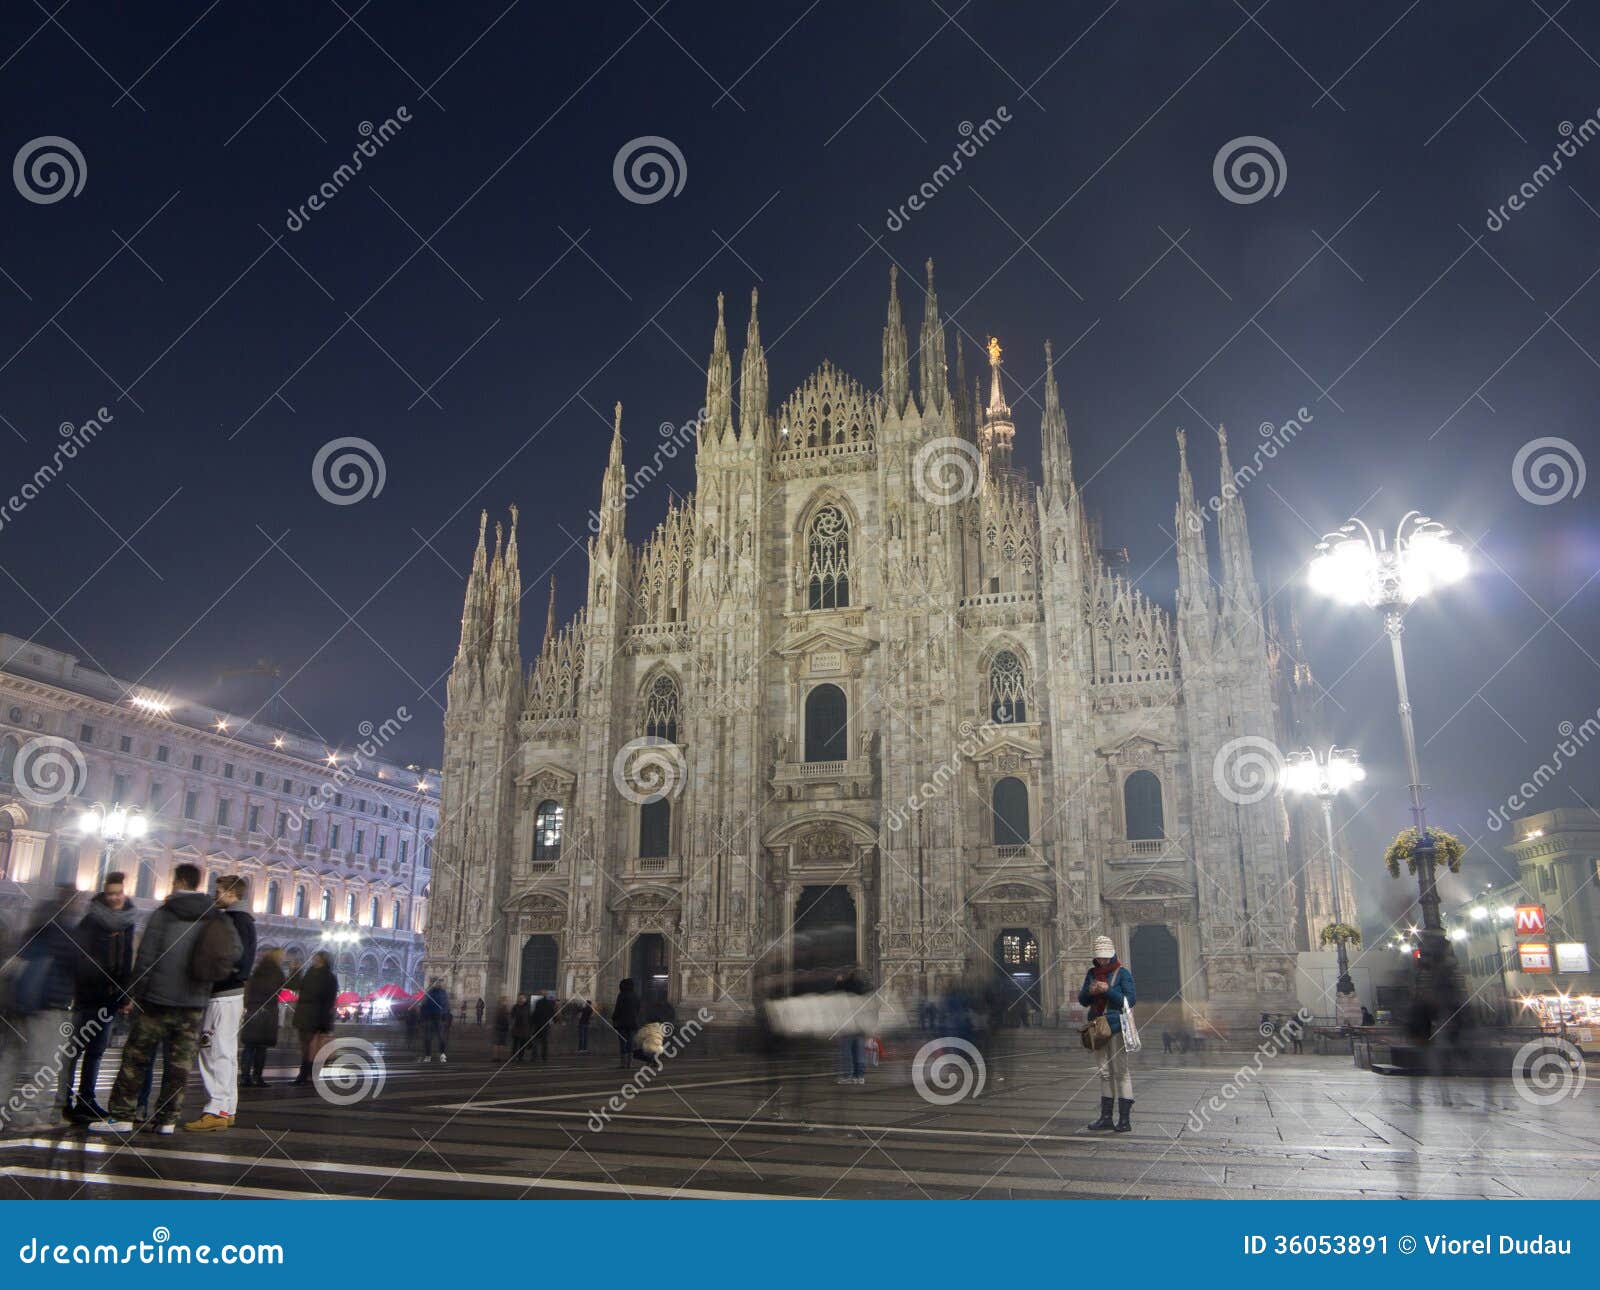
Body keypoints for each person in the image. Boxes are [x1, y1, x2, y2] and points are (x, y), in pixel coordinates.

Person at [91, 863, 238, 1135]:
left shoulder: (165, 914)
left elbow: (146, 957)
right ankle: (167, 1120)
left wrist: (132, 992)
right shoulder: (214, 916)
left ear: (178, 881)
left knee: (136, 1058)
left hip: (157, 999)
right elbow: (235, 952)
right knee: (179, 1064)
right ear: (197, 883)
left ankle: (123, 1115)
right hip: (194, 1002)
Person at [0, 886, 82, 1133]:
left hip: (18, 1003)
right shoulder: (66, 932)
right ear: (71, 903)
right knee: (41, 1063)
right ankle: (25, 1117)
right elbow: (81, 967)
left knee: (11, 1058)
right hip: (47, 1005)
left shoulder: (35, 926)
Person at [60, 872, 137, 1123]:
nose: (115, 898)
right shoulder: (91, 922)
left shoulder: (128, 922)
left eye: (118, 893)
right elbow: (79, 958)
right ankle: (64, 1101)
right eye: (110, 894)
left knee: (96, 1051)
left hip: (110, 999)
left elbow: (127, 960)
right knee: (75, 1050)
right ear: (104, 894)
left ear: (124, 892)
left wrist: (126, 993)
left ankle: (87, 1100)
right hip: (88, 996)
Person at [186, 876, 256, 1132]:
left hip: (223, 993)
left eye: (218, 891)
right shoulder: (244, 920)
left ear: (231, 893)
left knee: (213, 1051)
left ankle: (216, 1110)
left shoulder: (232, 921)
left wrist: (212, 976)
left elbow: (232, 959)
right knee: (225, 1052)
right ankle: (227, 1108)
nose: (214, 895)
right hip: (232, 993)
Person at [1079, 934, 1136, 1134]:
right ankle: (1106, 1118)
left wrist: (1107, 990)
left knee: (1121, 1072)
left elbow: (1130, 1000)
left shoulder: (1123, 973)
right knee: (1104, 1072)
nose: (1102, 960)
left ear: (1111, 955)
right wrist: (1091, 991)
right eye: (1099, 957)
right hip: (1098, 1027)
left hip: (1117, 1027)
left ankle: (1124, 1120)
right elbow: (1083, 1000)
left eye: (1105, 957)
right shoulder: (1092, 973)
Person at [239, 947, 287, 1087]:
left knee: (249, 1046)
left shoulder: (257, 970)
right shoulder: (277, 973)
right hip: (267, 1012)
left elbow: (248, 989)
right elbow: (277, 991)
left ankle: (245, 1077)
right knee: (261, 1047)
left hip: (253, 1010)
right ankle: (257, 1076)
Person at [289, 951, 337, 1085]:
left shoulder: (329, 977)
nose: (314, 959)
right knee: (305, 1047)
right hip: (304, 1015)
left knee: (310, 1047)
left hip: (316, 1016)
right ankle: (307, 1074)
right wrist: (295, 971)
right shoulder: (309, 973)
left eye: (317, 957)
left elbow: (329, 1001)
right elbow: (294, 986)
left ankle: (305, 1075)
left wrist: (325, 1022)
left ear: (323, 960)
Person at [610, 978, 640, 1068]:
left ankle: (623, 1063)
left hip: (622, 1023)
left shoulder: (621, 995)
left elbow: (618, 1009)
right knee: (630, 1042)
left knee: (623, 1042)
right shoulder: (635, 996)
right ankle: (630, 1063)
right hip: (632, 1023)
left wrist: (614, 1017)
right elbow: (638, 1009)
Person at [420, 978, 450, 1063]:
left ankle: (442, 1054)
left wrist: (445, 1015)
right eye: (436, 983)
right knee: (428, 1038)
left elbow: (446, 1005)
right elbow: (423, 1005)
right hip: (429, 1017)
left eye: (439, 982)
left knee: (441, 1038)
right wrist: (422, 1017)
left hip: (438, 1017)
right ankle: (428, 1055)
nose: (438, 984)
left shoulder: (442, 993)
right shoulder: (428, 993)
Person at [530, 992, 556, 1062]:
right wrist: (554, 1020)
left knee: (536, 1041)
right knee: (544, 1042)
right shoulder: (549, 1003)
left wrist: (532, 1023)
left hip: (537, 1025)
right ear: (546, 995)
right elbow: (552, 1013)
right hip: (545, 1025)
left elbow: (534, 1013)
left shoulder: (538, 1002)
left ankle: (534, 1057)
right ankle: (544, 1057)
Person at [509, 993, 532, 1062]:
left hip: (525, 1029)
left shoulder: (528, 1007)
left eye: (522, 998)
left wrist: (530, 1028)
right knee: (515, 1044)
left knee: (522, 1044)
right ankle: (513, 1057)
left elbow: (530, 1017)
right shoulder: (515, 1006)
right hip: (516, 1028)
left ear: (525, 999)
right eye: (520, 998)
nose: (521, 999)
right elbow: (512, 1016)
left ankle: (520, 1057)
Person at [490, 996, 511, 1060]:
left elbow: (494, 1018)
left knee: (496, 1043)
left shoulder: (497, 1008)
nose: (507, 1002)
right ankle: (499, 1057)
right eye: (506, 1001)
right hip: (502, 1028)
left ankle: (495, 1057)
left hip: (497, 1028)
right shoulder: (504, 1009)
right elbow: (506, 1019)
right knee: (501, 1043)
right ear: (503, 1001)